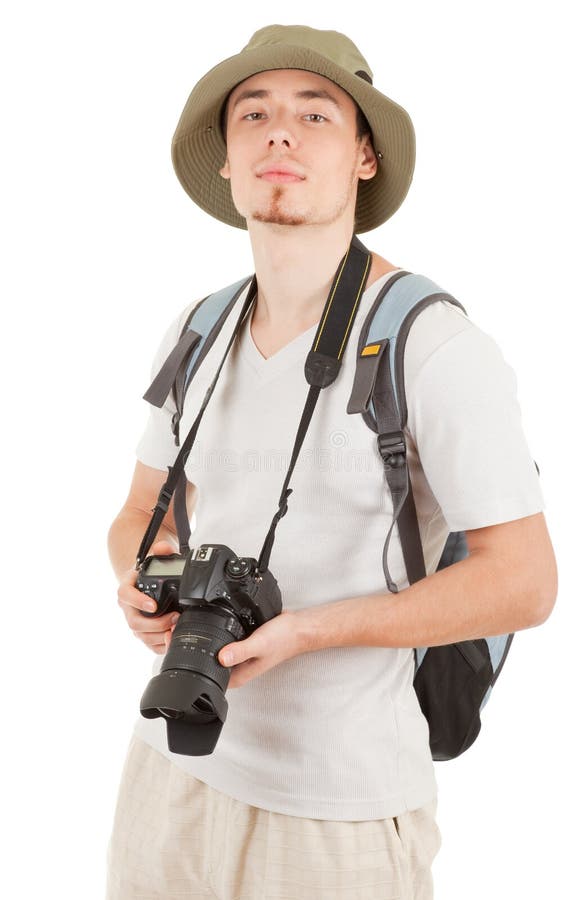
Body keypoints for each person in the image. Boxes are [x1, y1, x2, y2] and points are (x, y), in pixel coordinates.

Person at [105, 24, 557, 900]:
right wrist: (148, 581)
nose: (281, 132)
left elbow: (524, 583)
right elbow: (140, 514)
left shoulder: (432, 344)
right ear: (228, 159)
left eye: (316, 115)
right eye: (255, 114)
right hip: (168, 763)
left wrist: (310, 629)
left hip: (335, 809)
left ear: (362, 158)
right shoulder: (198, 329)